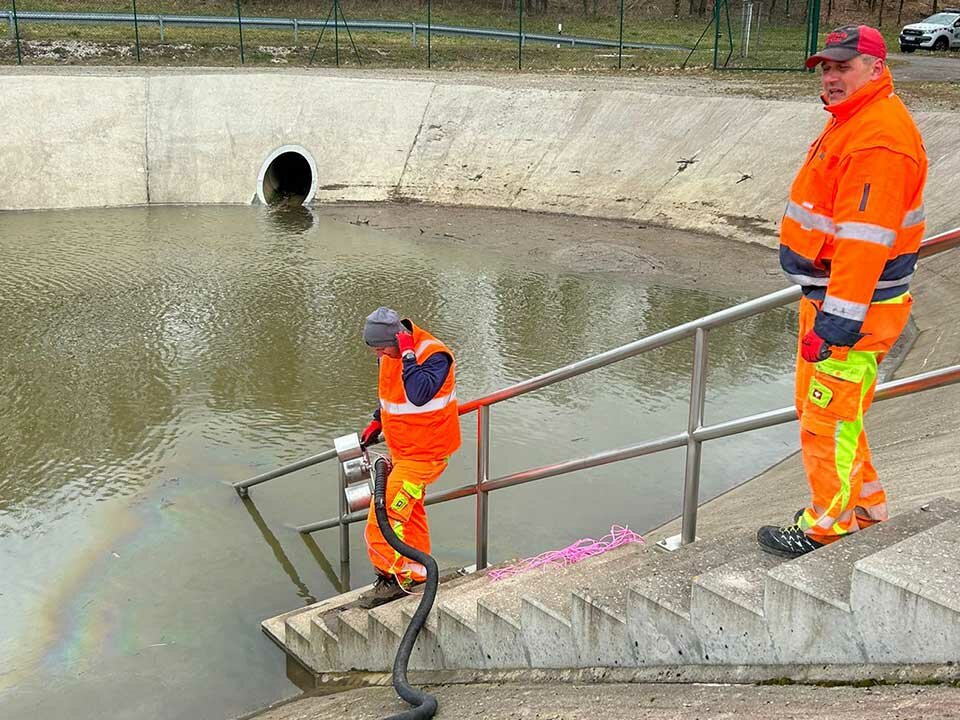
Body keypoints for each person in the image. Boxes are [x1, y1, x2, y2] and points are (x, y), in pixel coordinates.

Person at [757, 25, 928, 558]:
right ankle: (864, 508)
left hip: (851, 310)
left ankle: (827, 527)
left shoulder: (877, 138)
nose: (831, 77)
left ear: (876, 69)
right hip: (834, 303)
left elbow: (864, 242)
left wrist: (837, 322)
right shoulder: (855, 120)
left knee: (826, 416)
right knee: (838, 413)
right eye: (826, 67)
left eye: (843, 67)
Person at [356, 307, 461, 608]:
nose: (378, 355)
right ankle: (416, 574)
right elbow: (394, 396)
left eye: (380, 348)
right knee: (409, 514)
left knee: (384, 513)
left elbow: (418, 393)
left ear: (398, 341)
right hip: (404, 452)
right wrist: (378, 421)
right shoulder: (392, 357)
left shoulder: (433, 354)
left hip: (426, 454)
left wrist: (408, 356)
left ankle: (391, 579)